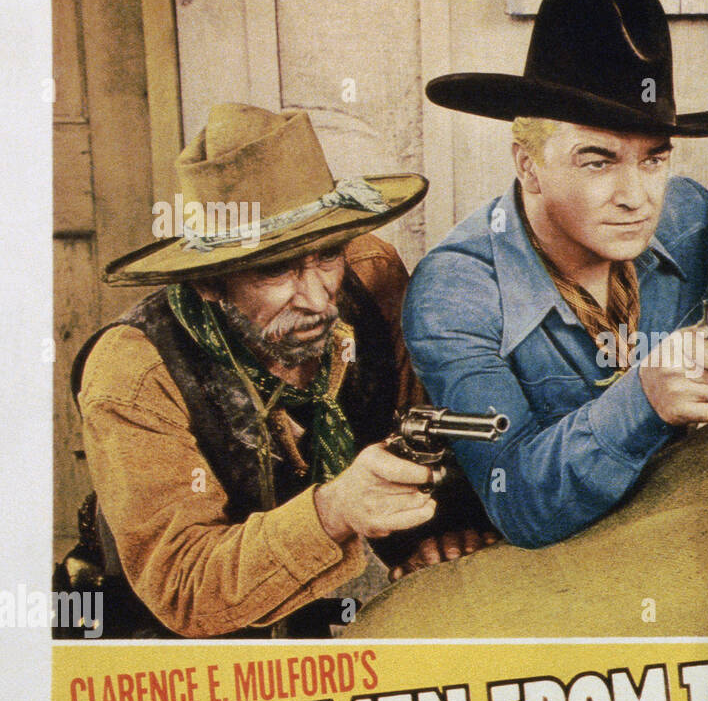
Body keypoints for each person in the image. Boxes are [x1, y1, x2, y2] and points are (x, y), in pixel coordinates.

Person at [71, 103, 492, 638]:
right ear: (208, 281)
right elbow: (185, 587)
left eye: (325, 257)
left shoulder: (370, 274)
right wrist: (334, 511)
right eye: (276, 270)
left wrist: (436, 531)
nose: (319, 300)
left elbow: (417, 419)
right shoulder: (134, 371)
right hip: (180, 643)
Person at [405, 0, 708, 548]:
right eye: (597, 161)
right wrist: (645, 398)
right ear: (528, 165)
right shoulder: (454, 291)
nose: (636, 198)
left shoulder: (691, 217)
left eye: (653, 159)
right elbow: (514, 501)